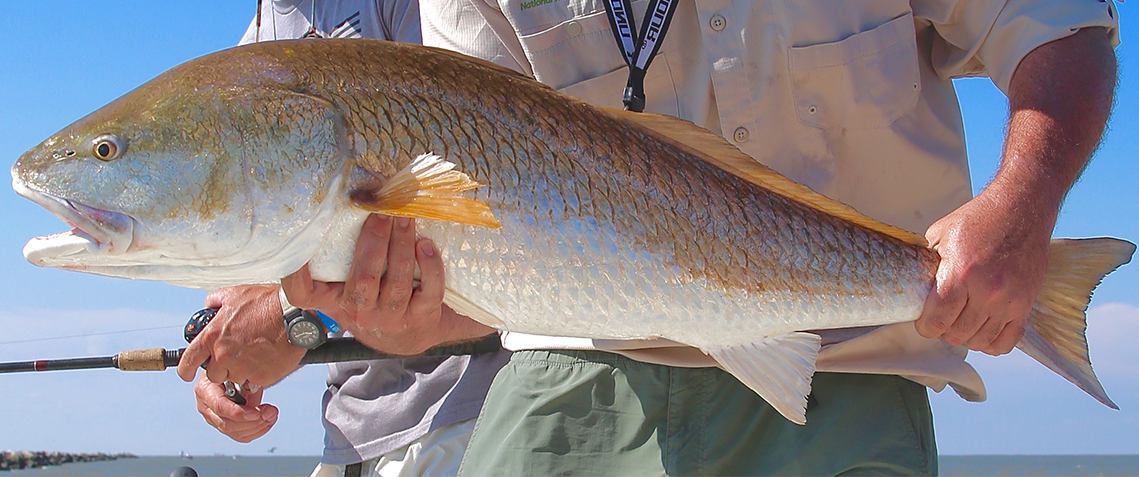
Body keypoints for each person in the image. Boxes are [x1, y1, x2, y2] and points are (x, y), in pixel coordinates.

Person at [282, 1, 1122, 476]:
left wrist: (1021, 205)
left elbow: (1063, 28)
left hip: (850, 371)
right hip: (570, 371)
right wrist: (400, 314)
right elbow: (478, 292)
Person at [175, 3, 510, 477]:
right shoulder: (251, 49)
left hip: (462, 413)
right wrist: (223, 358)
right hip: (349, 428)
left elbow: (460, 191)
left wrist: (294, 318)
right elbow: (252, 282)